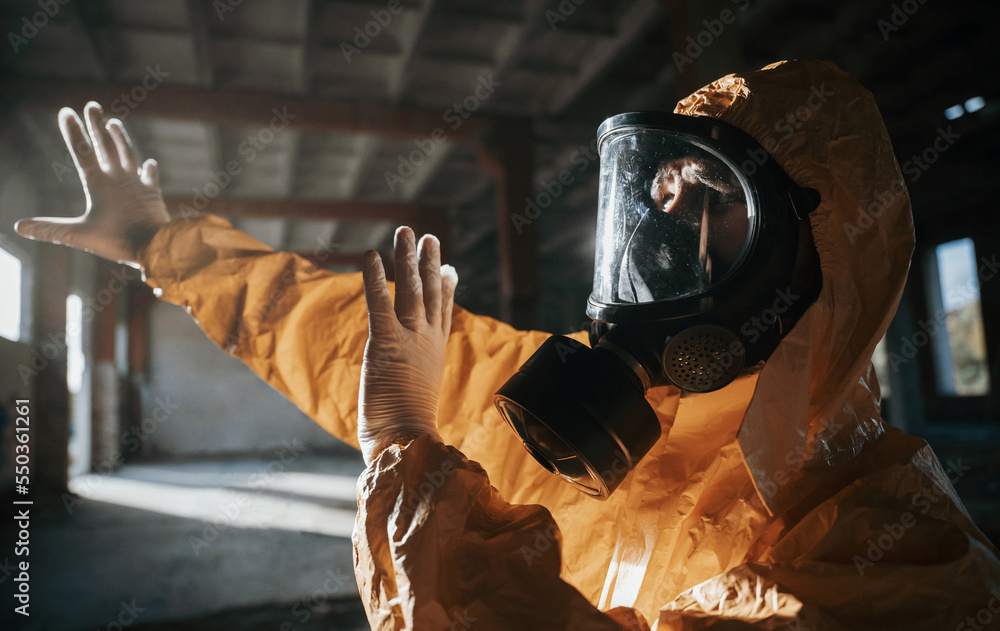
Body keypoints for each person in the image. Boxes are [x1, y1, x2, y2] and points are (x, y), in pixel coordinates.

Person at [16, 60, 1000, 629]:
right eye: (655, 203)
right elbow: (329, 327)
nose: (665, 248)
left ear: (815, 259)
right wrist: (161, 243)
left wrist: (408, 455)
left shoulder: (901, 556)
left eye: (716, 207)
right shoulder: (613, 409)